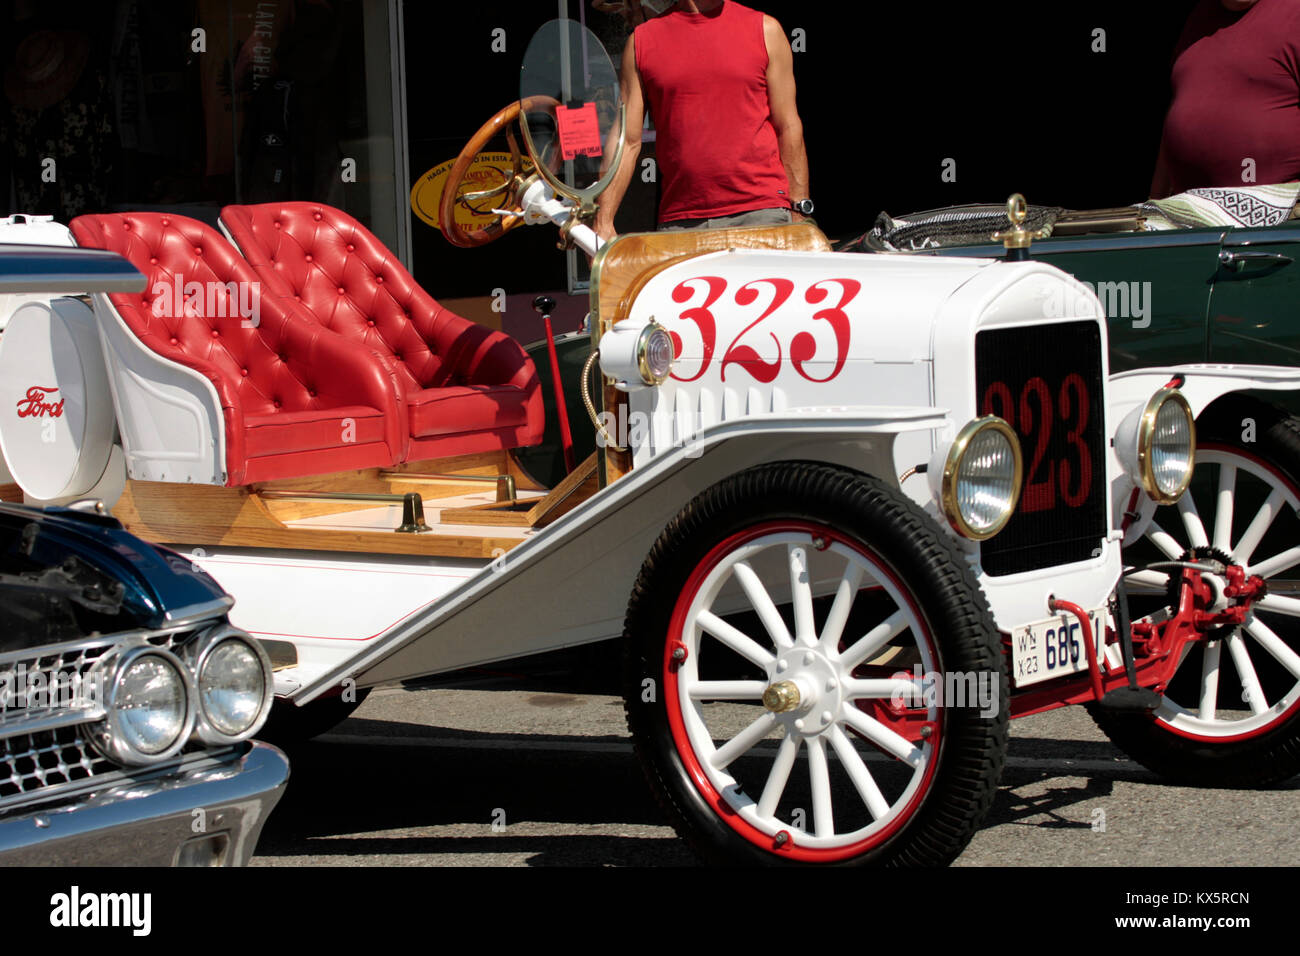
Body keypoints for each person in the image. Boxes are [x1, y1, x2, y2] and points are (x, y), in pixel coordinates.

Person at [592, 0, 811, 239]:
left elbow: (788, 126)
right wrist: (602, 221)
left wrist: (799, 212)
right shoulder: (643, 41)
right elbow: (627, 140)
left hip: (761, 213)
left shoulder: (765, 29)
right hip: (682, 221)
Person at [1150, 0, 1300, 198]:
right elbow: (1181, 106)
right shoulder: (1200, 15)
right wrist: (1155, 198)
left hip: (1281, 216)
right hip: (1193, 213)